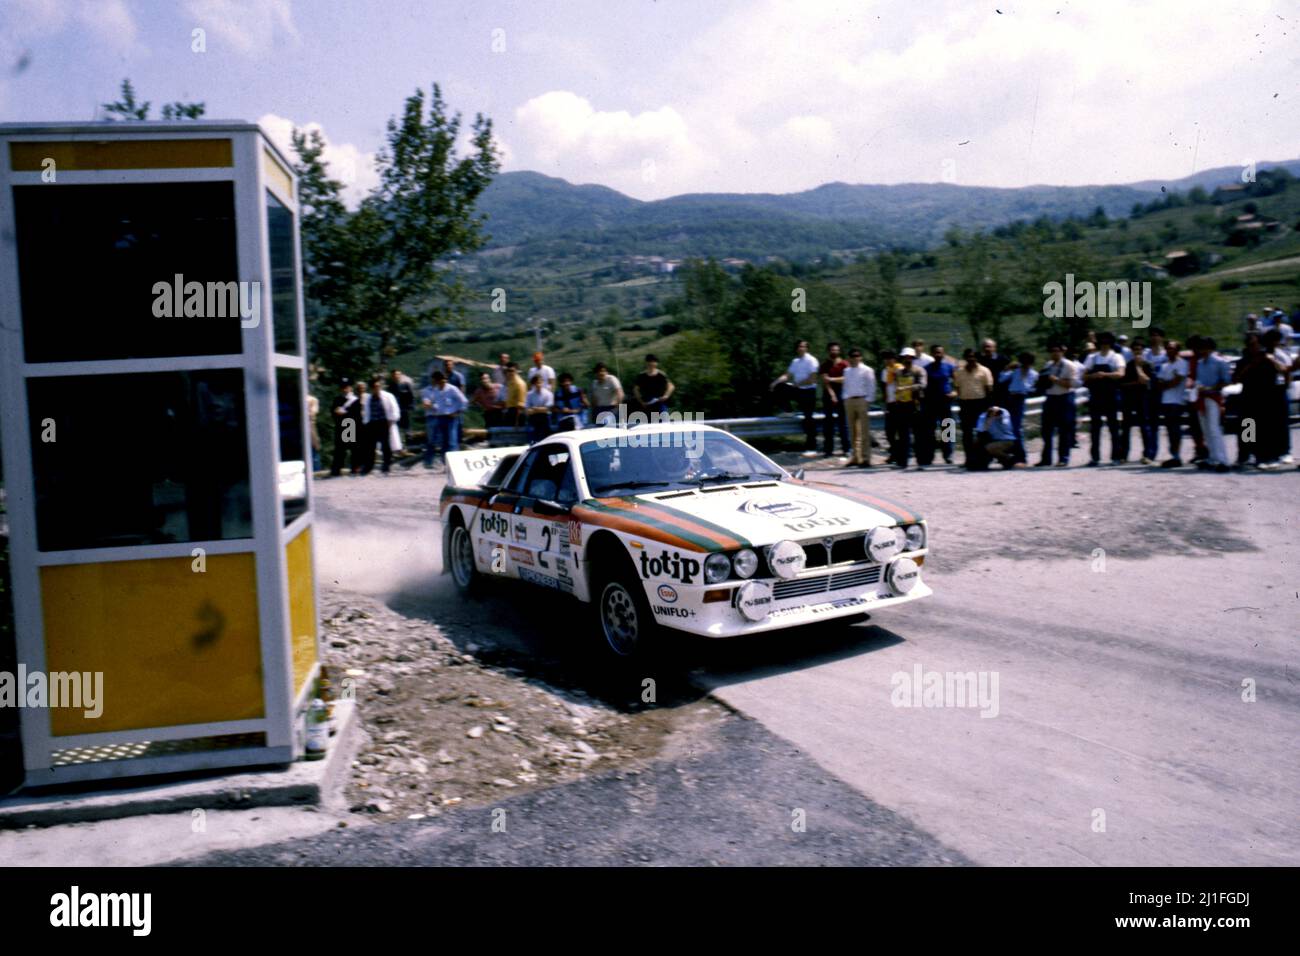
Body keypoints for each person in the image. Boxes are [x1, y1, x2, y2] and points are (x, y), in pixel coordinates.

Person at [1233, 333, 1276, 469]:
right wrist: (1251, 365)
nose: (1254, 347)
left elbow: (1281, 372)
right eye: (1251, 345)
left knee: (1264, 429)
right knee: (1248, 428)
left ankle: (1262, 457)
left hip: (1264, 398)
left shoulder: (1268, 360)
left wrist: (1271, 360)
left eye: (1256, 344)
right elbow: (1236, 379)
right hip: (1248, 397)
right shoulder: (1243, 361)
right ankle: (1245, 455)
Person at [1082, 332, 1126, 465]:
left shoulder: (1116, 357)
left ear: (1111, 343)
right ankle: (1095, 457)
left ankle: (1116, 457)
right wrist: (1093, 376)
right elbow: (1083, 375)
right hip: (1096, 394)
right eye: (1102, 342)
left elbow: (1121, 374)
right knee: (1095, 428)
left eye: (1107, 342)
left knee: (1113, 427)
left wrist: (1105, 374)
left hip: (1111, 394)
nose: (1104, 345)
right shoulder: (1092, 357)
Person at [770, 340, 820, 454]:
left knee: (808, 418)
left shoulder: (812, 360)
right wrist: (775, 382)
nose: (801, 348)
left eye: (803, 346)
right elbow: (787, 375)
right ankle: (788, 410)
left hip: (809, 391)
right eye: (799, 346)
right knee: (780, 387)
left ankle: (811, 447)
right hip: (798, 389)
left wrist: (797, 385)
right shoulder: (795, 361)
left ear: (807, 348)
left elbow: (812, 379)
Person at [1192, 336, 1232, 472]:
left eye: (1204, 347)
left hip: (1214, 397)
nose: (1201, 350)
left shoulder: (1220, 362)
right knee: (1206, 430)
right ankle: (1213, 458)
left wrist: (1211, 388)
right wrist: (1198, 387)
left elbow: (1226, 380)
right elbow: (1198, 380)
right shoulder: (1200, 363)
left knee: (1214, 429)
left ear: (1210, 348)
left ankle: (1223, 460)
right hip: (1201, 398)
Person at [1037, 344, 1078, 467]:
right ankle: (1046, 458)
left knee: (1064, 429)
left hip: (1064, 397)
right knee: (1046, 429)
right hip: (1051, 397)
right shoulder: (1048, 365)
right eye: (1052, 351)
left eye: (1057, 351)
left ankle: (1063, 458)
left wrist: (1055, 379)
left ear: (1062, 352)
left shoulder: (1069, 365)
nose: (1054, 353)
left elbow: (1072, 384)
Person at [953, 348, 994, 469]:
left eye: (973, 356)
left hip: (980, 404)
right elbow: (958, 388)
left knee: (982, 433)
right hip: (965, 404)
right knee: (967, 434)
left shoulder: (984, 371)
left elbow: (989, 390)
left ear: (977, 358)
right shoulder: (959, 372)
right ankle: (969, 459)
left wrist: (989, 407)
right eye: (969, 356)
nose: (971, 359)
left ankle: (983, 459)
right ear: (965, 358)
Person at [885, 348, 927, 468]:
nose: (907, 359)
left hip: (917, 404)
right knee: (903, 434)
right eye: (905, 357)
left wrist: (907, 388)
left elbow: (922, 385)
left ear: (913, 358)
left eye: (909, 357)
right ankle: (903, 461)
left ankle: (922, 461)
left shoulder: (919, 371)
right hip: (903, 405)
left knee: (919, 434)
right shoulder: (899, 373)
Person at [918, 344, 957, 466]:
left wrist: (955, 393)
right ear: (932, 354)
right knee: (929, 431)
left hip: (945, 401)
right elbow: (922, 386)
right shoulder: (926, 369)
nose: (938, 355)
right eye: (935, 353)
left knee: (947, 429)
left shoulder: (949, 367)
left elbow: (957, 382)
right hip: (930, 402)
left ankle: (948, 455)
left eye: (940, 352)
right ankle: (929, 456)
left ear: (943, 354)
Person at [421, 370, 468, 469]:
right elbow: (438, 406)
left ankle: (454, 465)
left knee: (452, 441)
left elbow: (464, 401)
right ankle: (446, 464)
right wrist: (431, 406)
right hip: (440, 417)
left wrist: (457, 412)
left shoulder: (452, 389)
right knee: (443, 442)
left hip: (451, 418)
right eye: (439, 381)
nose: (442, 383)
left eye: (443, 380)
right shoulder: (437, 391)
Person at [997, 351, 1037, 463]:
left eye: (1027, 362)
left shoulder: (1033, 374)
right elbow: (1001, 379)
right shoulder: (1015, 372)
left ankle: (1021, 456)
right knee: (1009, 427)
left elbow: (1029, 388)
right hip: (1010, 399)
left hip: (1020, 399)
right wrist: (1008, 368)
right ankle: (1014, 453)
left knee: (1016, 428)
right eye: (1023, 361)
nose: (1025, 364)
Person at [1155, 339, 1190, 467]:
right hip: (1166, 400)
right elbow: (1159, 383)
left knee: (1175, 429)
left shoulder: (1182, 364)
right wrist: (1168, 383)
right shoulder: (1165, 365)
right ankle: (1173, 454)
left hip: (1177, 400)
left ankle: (1177, 455)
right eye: (1168, 348)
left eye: (1172, 348)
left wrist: (1166, 383)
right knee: (1169, 429)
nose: (1169, 350)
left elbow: (1177, 381)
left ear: (1177, 350)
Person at [1118, 338, 1154, 463]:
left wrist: (1139, 368)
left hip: (1143, 398)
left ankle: (1147, 454)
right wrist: (1135, 383)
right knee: (1126, 426)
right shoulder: (1127, 365)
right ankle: (1123, 455)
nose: (1137, 352)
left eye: (1139, 349)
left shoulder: (1147, 365)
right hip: (1128, 398)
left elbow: (1146, 381)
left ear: (1143, 351)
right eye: (1135, 349)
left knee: (1144, 426)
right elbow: (1122, 384)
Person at [840, 348, 877, 468]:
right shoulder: (847, 371)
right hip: (850, 400)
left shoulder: (867, 370)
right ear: (849, 358)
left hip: (862, 399)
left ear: (860, 357)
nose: (855, 358)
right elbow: (845, 386)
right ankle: (855, 457)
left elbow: (871, 386)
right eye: (852, 356)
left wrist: (868, 400)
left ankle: (866, 458)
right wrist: (845, 398)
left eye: (857, 355)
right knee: (852, 431)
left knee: (864, 431)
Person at [360, 376, 400, 475]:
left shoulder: (388, 396)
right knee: (370, 447)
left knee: (385, 446)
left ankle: (386, 466)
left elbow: (395, 410)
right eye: (374, 386)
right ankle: (368, 467)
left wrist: (391, 420)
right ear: (371, 388)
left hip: (384, 423)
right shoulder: (369, 398)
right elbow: (366, 412)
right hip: (372, 423)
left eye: (378, 386)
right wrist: (366, 423)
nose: (377, 388)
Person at [819, 342, 850, 457]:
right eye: (832, 350)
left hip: (843, 393)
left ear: (839, 351)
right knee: (828, 423)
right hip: (828, 394)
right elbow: (825, 381)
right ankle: (828, 450)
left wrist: (831, 379)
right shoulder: (824, 365)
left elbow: (845, 379)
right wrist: (832, 395)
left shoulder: (845, 364)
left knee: (843, 423)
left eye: (836, 350)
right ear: (828, 351)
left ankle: (846, 449)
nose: (834, 352)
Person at [972, 405, 1021, 469]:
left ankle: (1009, 459)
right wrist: (989, 419)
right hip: (993, 439)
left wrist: (999, 416)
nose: (994, 414)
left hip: (1007, 440)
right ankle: (983, 463)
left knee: (990, 447)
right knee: (977, 443)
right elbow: (981, 430)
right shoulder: (983, 416)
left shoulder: (1004, 413)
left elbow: (1006, 425)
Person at [329, 379, 359, 477]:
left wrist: (345, 413)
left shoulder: (355, 400)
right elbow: (332, 411)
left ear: (350, 388)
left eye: (346, 387)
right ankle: (336, 470)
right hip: (340, 425)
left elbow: (356, 414)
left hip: (350, 424)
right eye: (343, 387)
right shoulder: (337, 399)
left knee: (353, 448)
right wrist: (336, 412)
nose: (344, 389)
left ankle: (355, 468)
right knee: (339, 449)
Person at [634, 354, 675, 419]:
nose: (651, 363)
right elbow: (636, 389)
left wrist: (666, 395)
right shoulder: (642, 376)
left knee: (664, 422)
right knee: (649, 424)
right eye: (649, 361)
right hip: (648, 403)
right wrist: (641, 401)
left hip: (660, 402)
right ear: (646, 363)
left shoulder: (661, 375)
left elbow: (671, 386)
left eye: (653, 361)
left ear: (656, 363)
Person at [524, 374, 554, 443]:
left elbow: (548, 409)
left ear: (542, 382)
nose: (538, 385)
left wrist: (534, 409)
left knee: (545, 436)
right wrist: (540, 409)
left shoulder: (548, 394)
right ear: (533, 384)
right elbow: (527, 411)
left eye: (539, 382)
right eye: (536, 383)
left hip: (545, 418)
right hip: (534, 418)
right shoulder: (529, 394)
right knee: (531, 433)